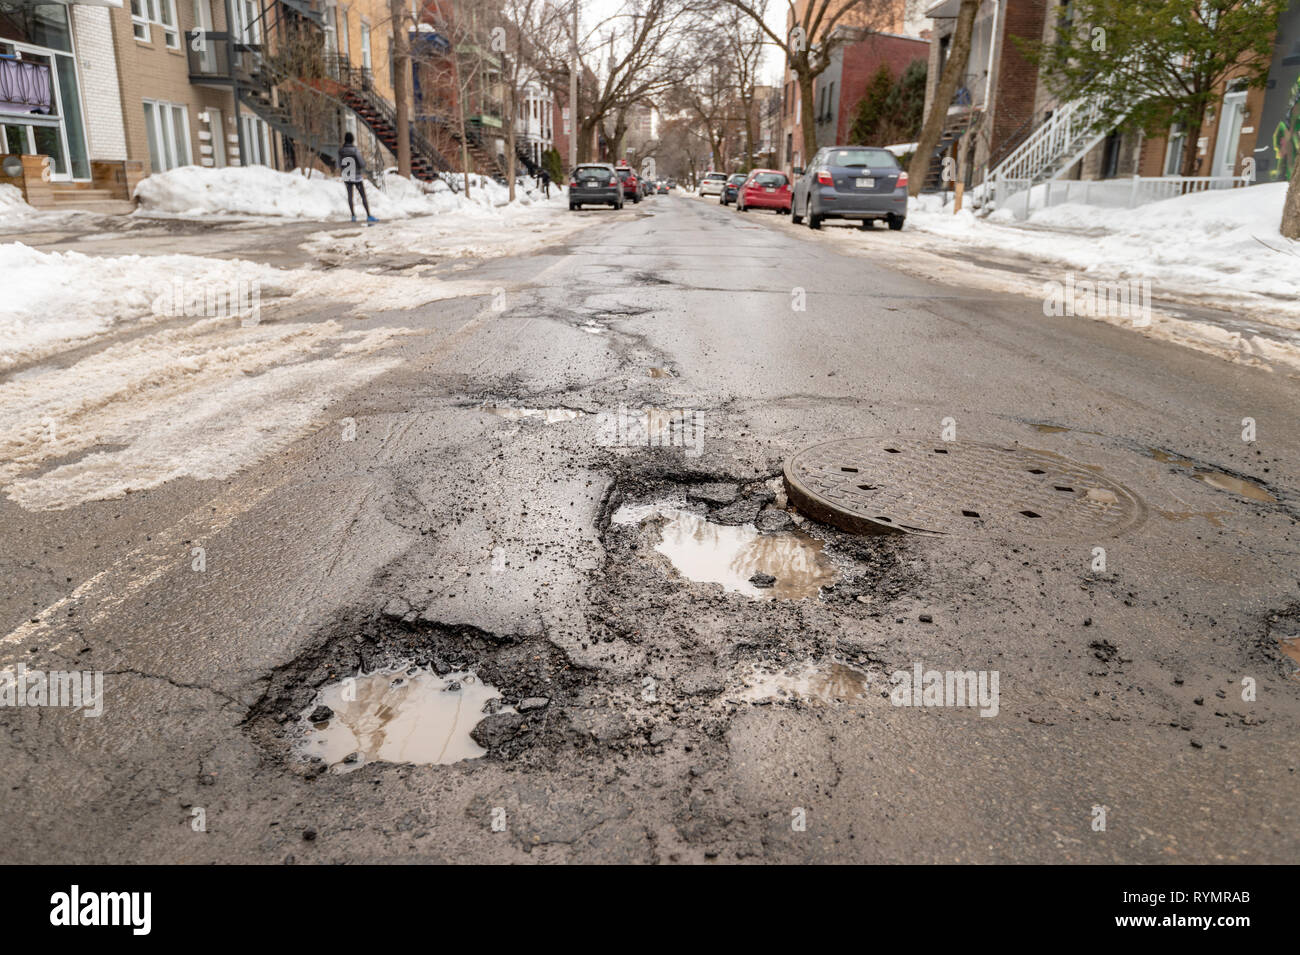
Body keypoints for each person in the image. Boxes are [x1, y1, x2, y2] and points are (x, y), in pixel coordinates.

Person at [338, 132, 376, 223]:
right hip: (356, 176)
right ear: (352, 139)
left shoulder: (341, 151)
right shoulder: (355, 150)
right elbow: (362, 163)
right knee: (363, 196)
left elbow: (339, 164)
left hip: (347, 177)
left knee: (350, 196)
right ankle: (368, 215)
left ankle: (353, 216)